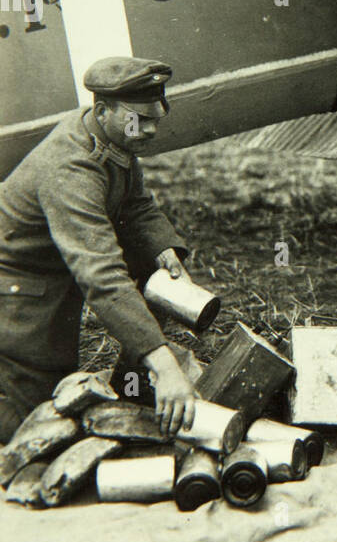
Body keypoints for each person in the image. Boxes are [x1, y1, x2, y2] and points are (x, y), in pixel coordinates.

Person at [0, 57, 200, 442]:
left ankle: (136, 384)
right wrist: (166, 364)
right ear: (103, 110)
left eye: (156, 118)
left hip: (52, 275)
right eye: (141, 121)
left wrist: (162, 249)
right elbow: (102, 277)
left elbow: (135, 202)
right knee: (36, 428)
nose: (152, 130)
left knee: (150, 270)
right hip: (19, 294)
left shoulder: (111, 134)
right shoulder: (70, 169)